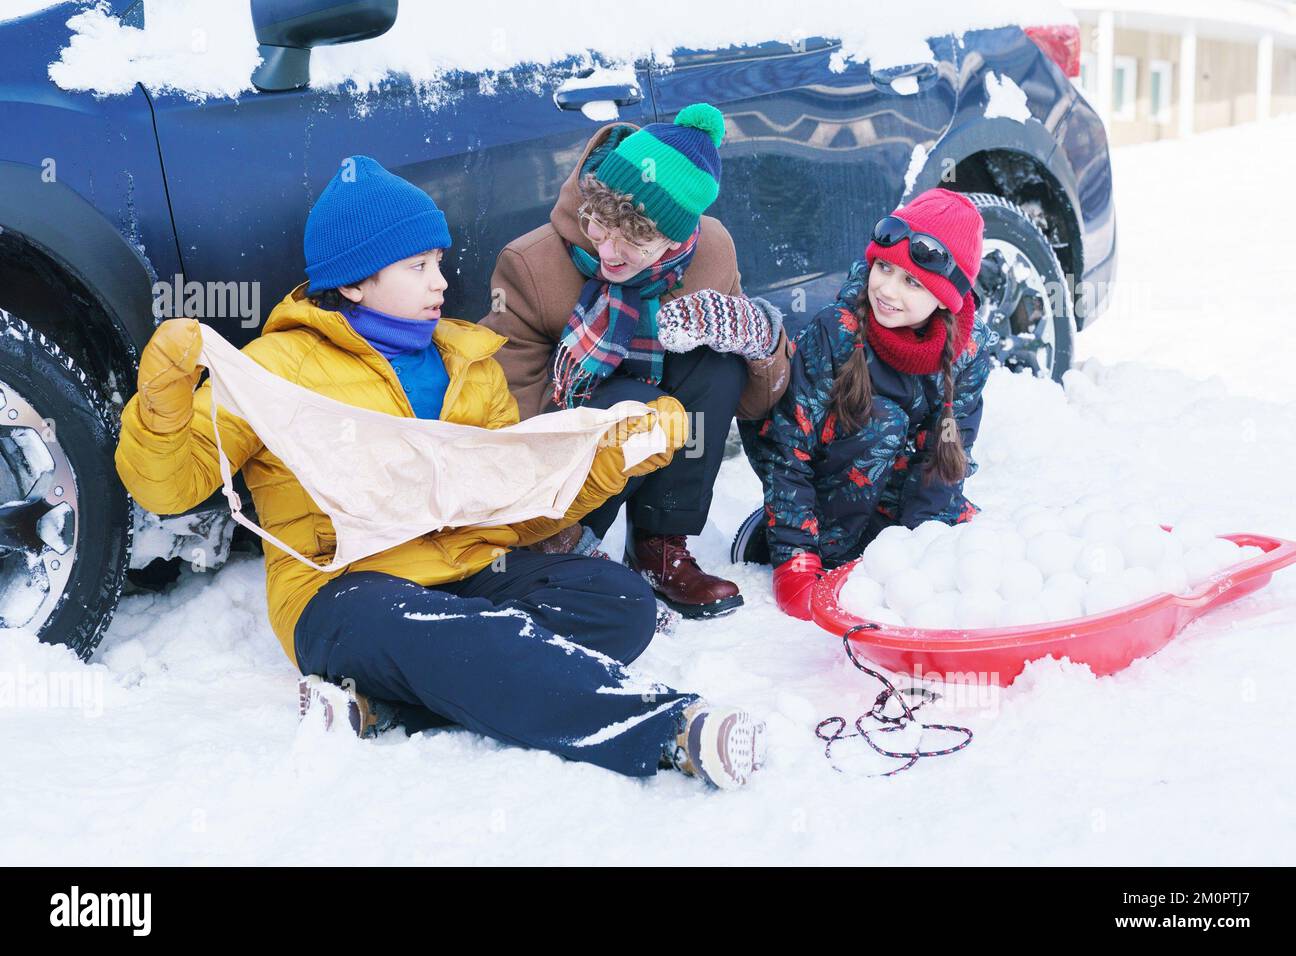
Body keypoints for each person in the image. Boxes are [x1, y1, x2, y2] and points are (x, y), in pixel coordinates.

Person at [115, 155, 765, 788]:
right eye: (418, 266)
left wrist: (609, 464)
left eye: (439, 263)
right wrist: (164, 403)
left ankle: (389, 707)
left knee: (619, 602)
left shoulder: (467, 364)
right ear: (354, 282)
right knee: (442, 632)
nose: (442, 284)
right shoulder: (278, 370)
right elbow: (168, 489)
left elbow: (514, 511)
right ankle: (665, 729)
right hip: (348, 593)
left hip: (472, 571)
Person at [481, 103, 792, 619]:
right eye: (601, 226)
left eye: (637, 237)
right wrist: (552, 529)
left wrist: (753, 333)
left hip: (660, 429)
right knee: (637, 404)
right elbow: (506, 407)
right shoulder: (531, 263)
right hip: (568, 461)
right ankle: (578, 544)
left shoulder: (712, 250)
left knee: (715, 365)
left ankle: (658, 546)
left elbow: (756, 403)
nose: (610, 251)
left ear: (678, 235)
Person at [738, 188, 998, 620]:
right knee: (884, 421)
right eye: (885, 268)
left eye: (912, 282)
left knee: (974, 549)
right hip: (827, 485)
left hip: (893, 495)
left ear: (946, 298)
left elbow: (945, 457)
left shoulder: (967, 351)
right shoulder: (836, 332)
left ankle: (886, 540)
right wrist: (794, 554)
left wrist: (922, 551)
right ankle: (790, 534)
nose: (888, 290)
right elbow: (788, 450)